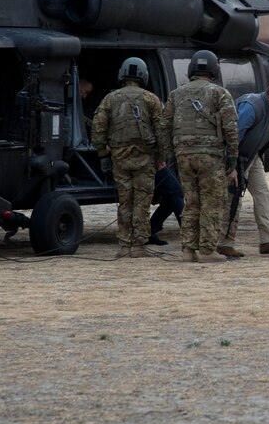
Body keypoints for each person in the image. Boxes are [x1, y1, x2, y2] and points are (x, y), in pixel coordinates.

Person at [160, 50, 239, 264]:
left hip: (184, 156)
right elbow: (231, 129)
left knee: (191, 202)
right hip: (211, 156)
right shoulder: (220, 93)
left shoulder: (176, 94)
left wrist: (170, 155)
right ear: (214, 70)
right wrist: (232, 157)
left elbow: (164, 125)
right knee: (212, 202)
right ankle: (207, 250)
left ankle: (188, 250)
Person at [91, 58, 164, 259]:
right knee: (142, 202)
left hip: (119, 157)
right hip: (145, 158)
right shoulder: (151, 99)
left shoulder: (110, 99)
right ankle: (138, 246)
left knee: (125, 201)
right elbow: (162, 129)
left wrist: (102, 151)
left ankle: (124, 246)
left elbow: (98, 126)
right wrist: (162, 156)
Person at [217, 81, 269, 258]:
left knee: (262, 193)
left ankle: (268, 241)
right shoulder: (252, 107)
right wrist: (232, 166)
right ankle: (224, 244)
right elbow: (234, 136)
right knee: (234, 199)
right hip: (238, 157)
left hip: (253, 156)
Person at [147, 166, 184, 245]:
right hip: (146, 164)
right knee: (175, 192)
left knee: (172, 194)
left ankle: (148, 231)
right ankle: (189, 232)